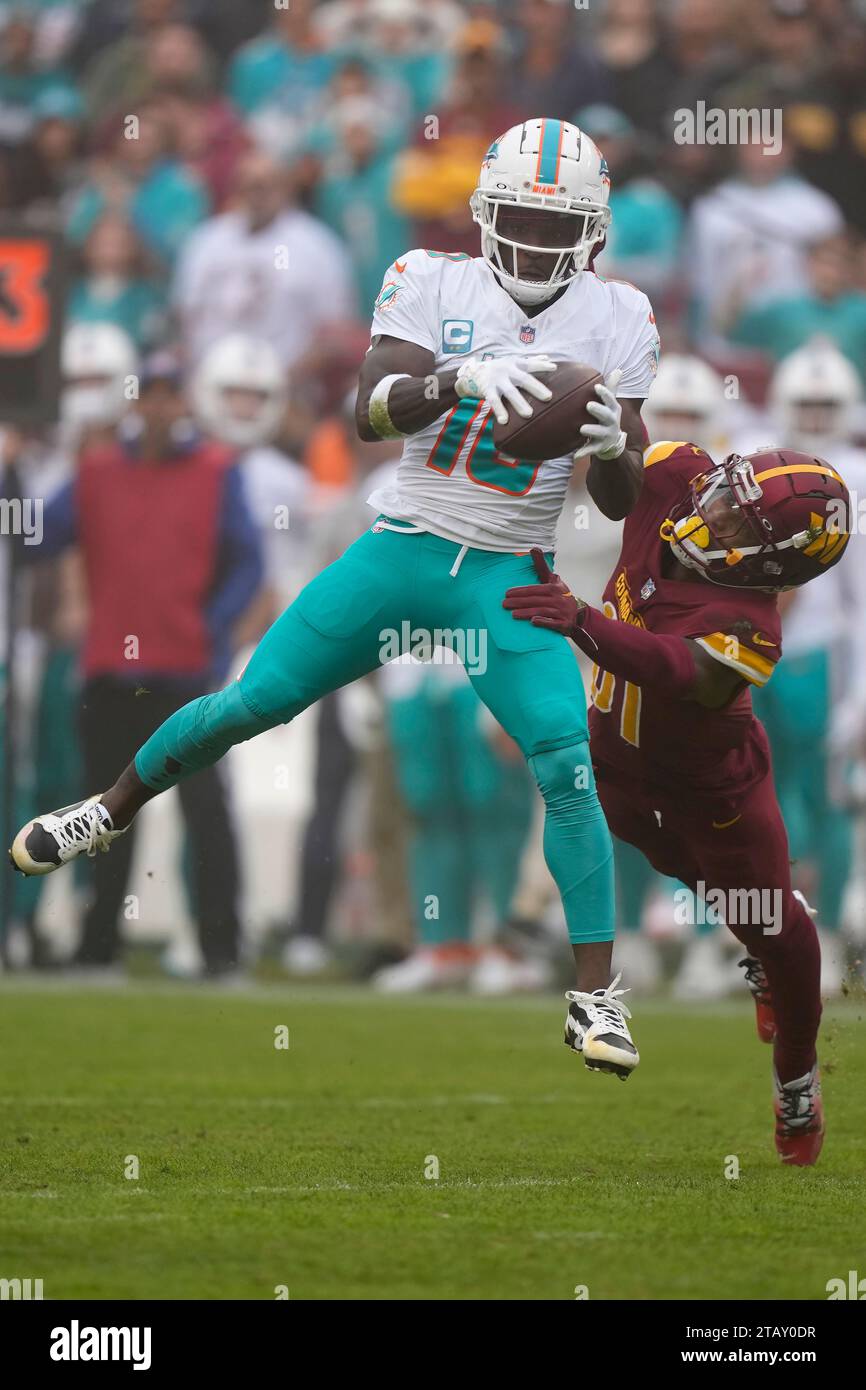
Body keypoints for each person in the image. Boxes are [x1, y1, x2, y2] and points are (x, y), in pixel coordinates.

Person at [10, 118, 660, 1082]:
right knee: (254, 701)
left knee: (568, 766)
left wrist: (610, 445)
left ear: (594, 232)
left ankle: (594, 998)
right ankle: (105, 812)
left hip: (509, 571)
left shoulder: (621, 315)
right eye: (518, 218)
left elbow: (621, 498)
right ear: (483, 214)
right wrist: (457, 377)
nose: (532, 239)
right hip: (402, 546)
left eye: (553, 224)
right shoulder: (429, 278)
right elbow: (368, 410)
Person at [502, 442, 852, 1164]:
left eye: (736, 523)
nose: (711, 514)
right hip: (617, 771)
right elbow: (620, 474)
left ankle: (796, 1080)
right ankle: (751, 942)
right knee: (709, 889)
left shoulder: (752, 621)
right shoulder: (677, 476)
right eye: (724, 493)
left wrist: (582, 620)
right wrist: (610, 424)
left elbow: (676, 667)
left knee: (778, 930)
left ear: (771, 564)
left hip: (713, 794)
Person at [17, 350, 263, 978]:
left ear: (182, 402)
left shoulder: (216, 471)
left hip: (185, 673)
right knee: (102, 813)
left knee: (205, 813)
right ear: (135, 400)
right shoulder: (97, 471)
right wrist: (11, 468)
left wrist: (210, 628)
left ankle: (220, 951)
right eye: (148, 393)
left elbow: (248, 562)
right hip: (111, 672)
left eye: (167, 394)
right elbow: (35, 536)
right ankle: (98, 947)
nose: (157, 406)